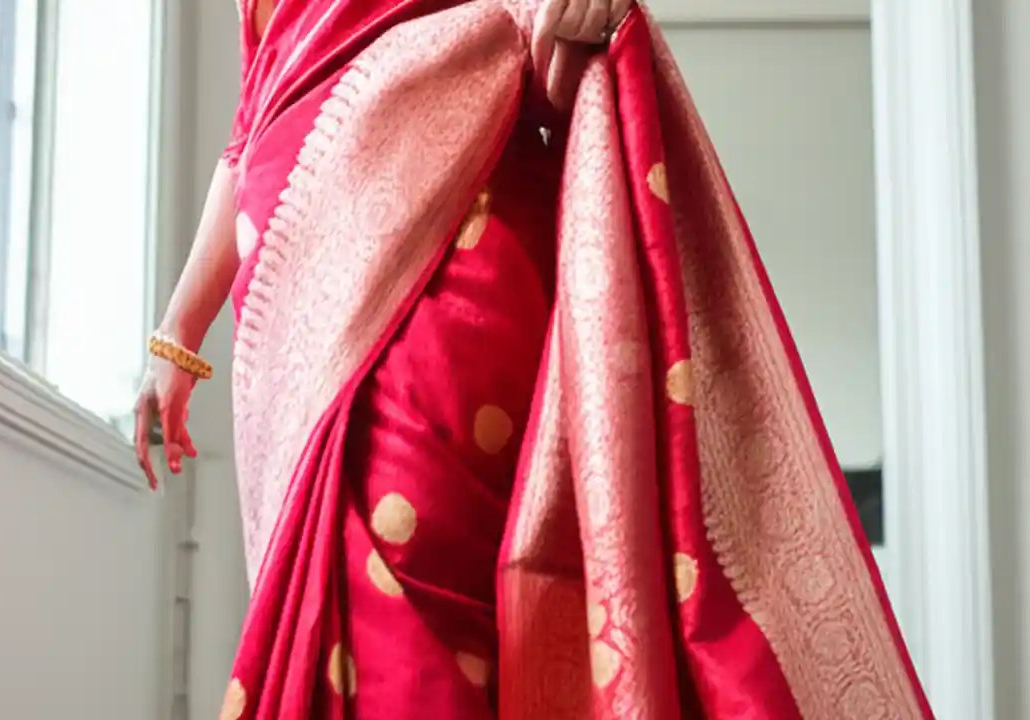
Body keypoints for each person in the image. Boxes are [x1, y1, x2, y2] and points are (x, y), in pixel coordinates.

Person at [133, 0, 934, 716]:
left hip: (435, 269)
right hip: (288, 343)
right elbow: (254, 121)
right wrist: (175, 338)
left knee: (412, 635)